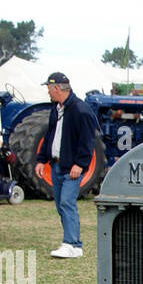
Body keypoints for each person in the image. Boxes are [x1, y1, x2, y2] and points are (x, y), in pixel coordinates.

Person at [35, 72, 98, 259]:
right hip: (56, 165)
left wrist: (80, 164)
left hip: (71, 167)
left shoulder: (81, 110)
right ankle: (74, 244)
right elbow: (49, 137)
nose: (48, 93)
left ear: (57, 88)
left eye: (49, 89)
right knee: (60, 205)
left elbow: (87, 140)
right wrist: (41, 159)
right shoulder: (56, 110)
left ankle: (70, 243)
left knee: (67, 203)